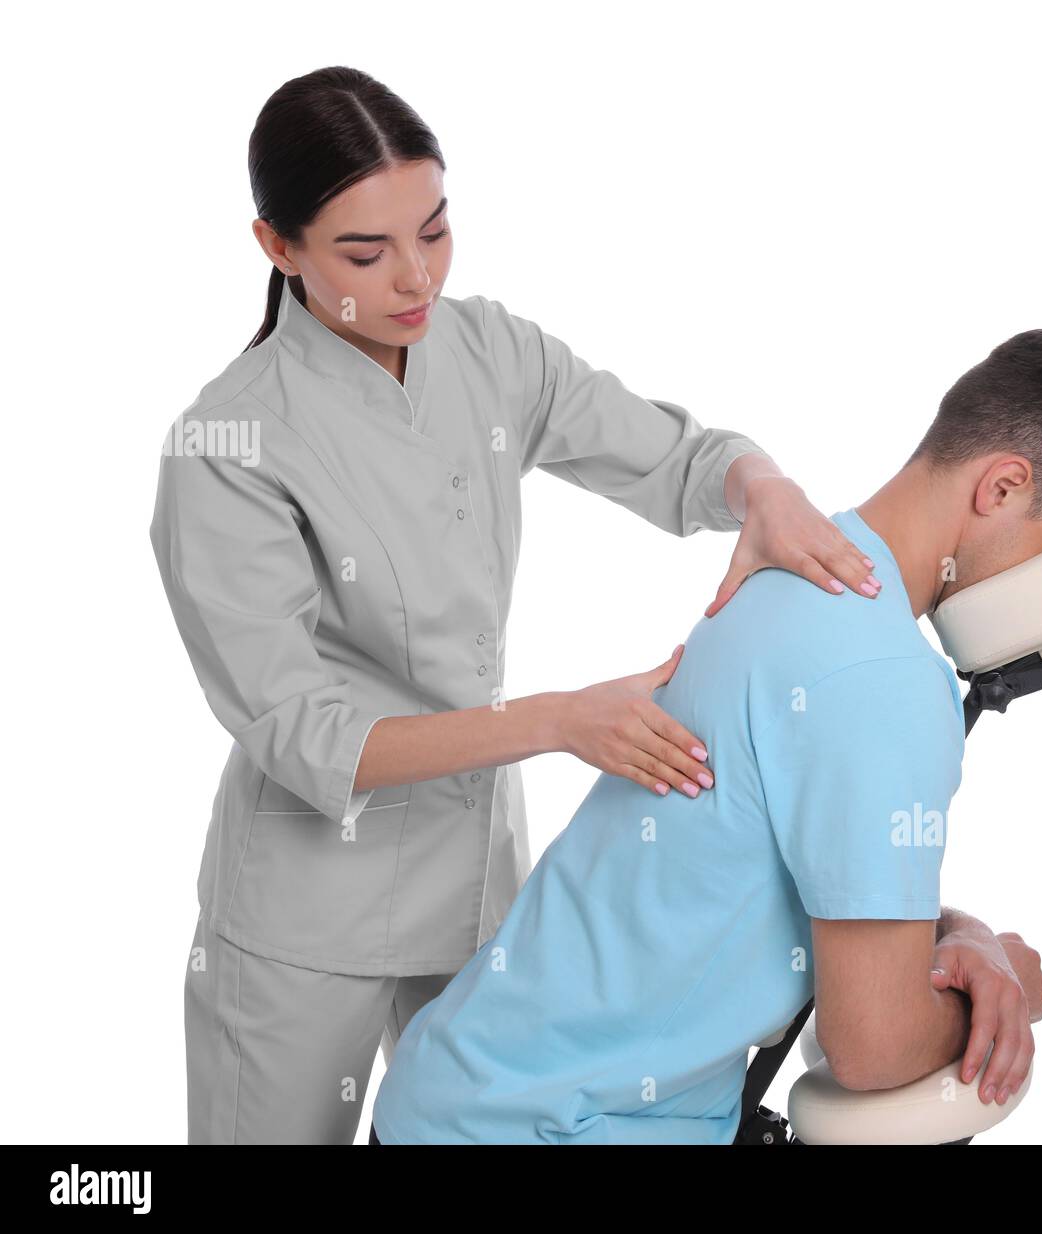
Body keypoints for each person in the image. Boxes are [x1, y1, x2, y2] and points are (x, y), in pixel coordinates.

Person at [149, 65, 884, 1145]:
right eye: (365, 252)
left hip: (477, 888)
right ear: (276, 246)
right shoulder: (228, 444)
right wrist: (554, 721)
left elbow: (677, 457)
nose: (416, 278)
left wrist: (759, 489)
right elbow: (300, 732)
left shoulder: (487, 350)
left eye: (435, 231)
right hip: (309, 909)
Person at [370, 327, 1042, 1144]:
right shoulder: (886, 680)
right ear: (1003, 488)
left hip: (451, 1097)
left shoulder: (800, 578)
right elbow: (873, 1045)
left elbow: (766, 866)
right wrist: (1008, 991)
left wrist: (960, 935)